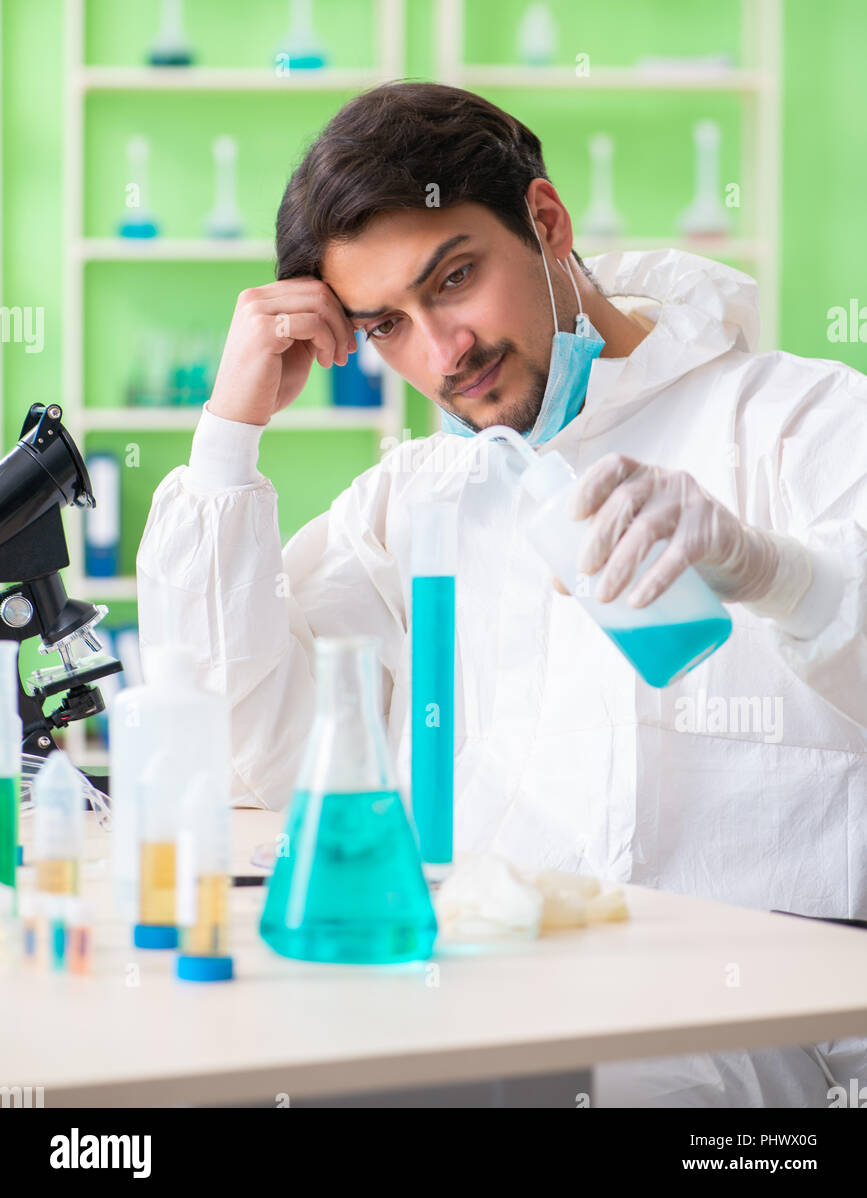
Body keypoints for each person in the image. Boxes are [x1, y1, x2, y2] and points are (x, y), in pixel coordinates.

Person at [136, 81, 866, 1107]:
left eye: (456, 278)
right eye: (386, 323)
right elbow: (243, 742)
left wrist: (775, 571)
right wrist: (227, 435)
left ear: (549, 221)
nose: (442, 354)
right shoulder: (416, 497)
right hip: (470, 1023)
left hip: (749, 1052)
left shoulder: (800, 420)